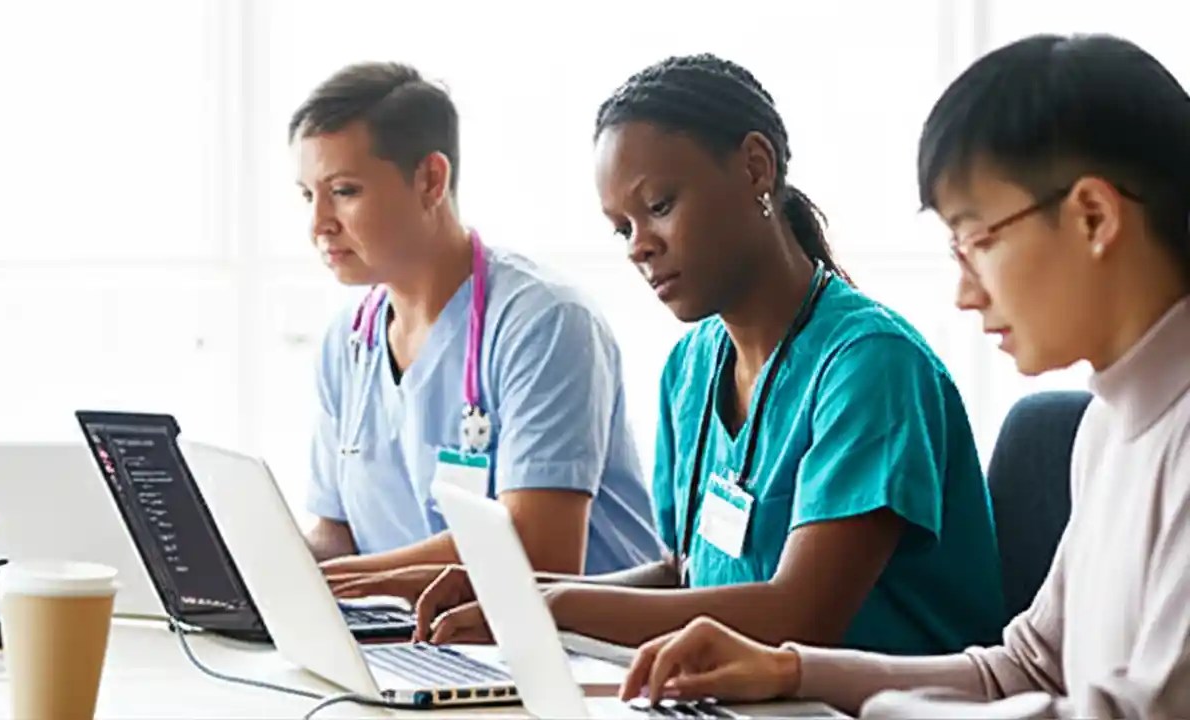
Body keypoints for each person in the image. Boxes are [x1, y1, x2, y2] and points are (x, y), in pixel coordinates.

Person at [619, 34, 1190, 720]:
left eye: (978, 240)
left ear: (1093, 217)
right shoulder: (1111, 422)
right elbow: (1028, 667)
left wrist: (893, 713)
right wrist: (789, 669)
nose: (964, 293)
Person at [405, 53, 1004, 656]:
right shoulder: (690, 368)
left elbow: (798, 615)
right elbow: (684, 576)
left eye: (660, 207)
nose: (640, 247)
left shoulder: (870, 366)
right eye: (623, 228)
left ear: (754, 168)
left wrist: (546, 605)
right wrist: (514, 589)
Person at [292, 61, 663, 585]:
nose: (318, 224)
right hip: (412, 646)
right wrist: (258, 572)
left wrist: (339, 584)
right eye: (308, 195)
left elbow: (540, 554)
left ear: (430, 180)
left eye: (345, 191)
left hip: (578, 654)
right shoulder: (347, 343)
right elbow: (337, 536)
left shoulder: (545, 323)